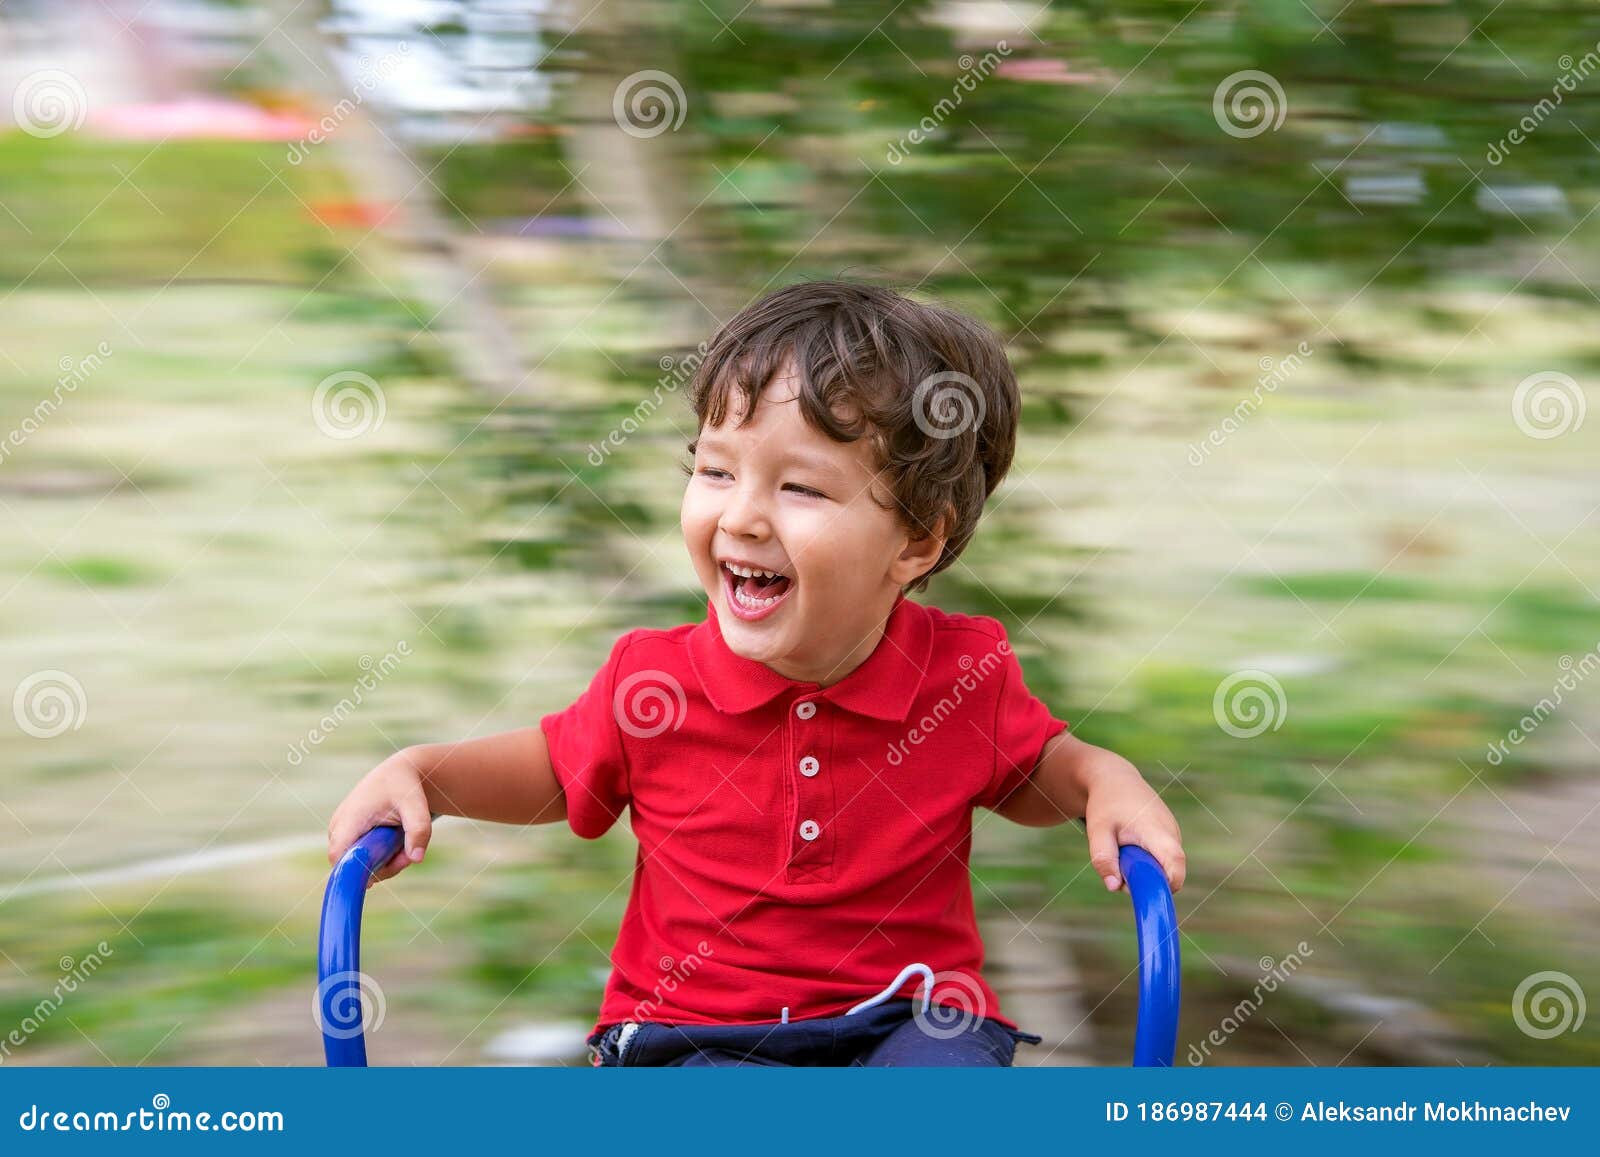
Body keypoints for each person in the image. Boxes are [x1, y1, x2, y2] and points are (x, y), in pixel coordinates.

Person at [327, 280, 1185, 1067]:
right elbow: (556, 770)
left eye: (799, 488)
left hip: (906, 1019)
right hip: (695, 1032)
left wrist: (1100, 777)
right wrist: (426, 774)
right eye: (715, 470)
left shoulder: (961, 674)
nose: (740, 515)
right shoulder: (653, 683)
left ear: (917, 540)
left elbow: (1032, 771)